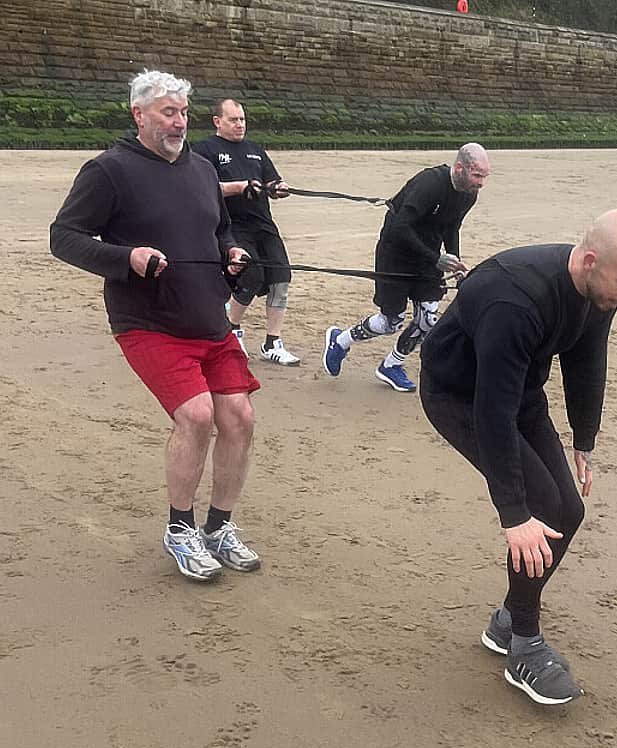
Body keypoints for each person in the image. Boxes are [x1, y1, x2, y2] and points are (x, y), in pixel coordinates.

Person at [418, 209, 617, 705]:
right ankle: (524, 646)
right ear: (591, 261)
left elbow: (587, 358)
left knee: (568, 510)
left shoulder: (596, 289)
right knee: (539, 510)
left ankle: (508, 621)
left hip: (517, 390)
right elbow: (491, 413)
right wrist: (513, 513)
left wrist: (583, 439)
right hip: (459, 395)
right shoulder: (517, 300)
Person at [50, 69, 263, 583]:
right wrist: (128, 257)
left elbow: (220, 227)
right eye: (168, 112)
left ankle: (219, 526)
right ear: (138, 114)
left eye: (184, 113)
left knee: (239, 417)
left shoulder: (201, 170)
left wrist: (231, 252)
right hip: (147, 321)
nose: (179, 122)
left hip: (206, 315)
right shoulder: (108, 170)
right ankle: (180, 529)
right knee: (196, 415)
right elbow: (64, 237)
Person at [322, 143, 490, 392]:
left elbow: (452, 226)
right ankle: (341, 340)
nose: (480, 183)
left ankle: (392, 364)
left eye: (484, 177)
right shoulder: (430, 183)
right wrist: (436, 258)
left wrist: (453, 258)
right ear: (459, 168)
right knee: (391, 321)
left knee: (428, 318)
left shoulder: (469, 194)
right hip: (396, 252)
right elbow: (400, 228)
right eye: (477, 175)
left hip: (428, 257)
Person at [193, 98, 301, 366]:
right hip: (231, 226)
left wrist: (278, 187)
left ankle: (272, 342)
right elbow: (200, 188)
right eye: (233, 120)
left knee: (281, 278)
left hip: (263, 224)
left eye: (242, 119)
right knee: (251, 274)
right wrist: (239, 187)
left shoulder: (255, 150)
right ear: (217, 121)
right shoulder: (204, 150)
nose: (240, 124)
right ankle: (232, 329)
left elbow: (272, 180)